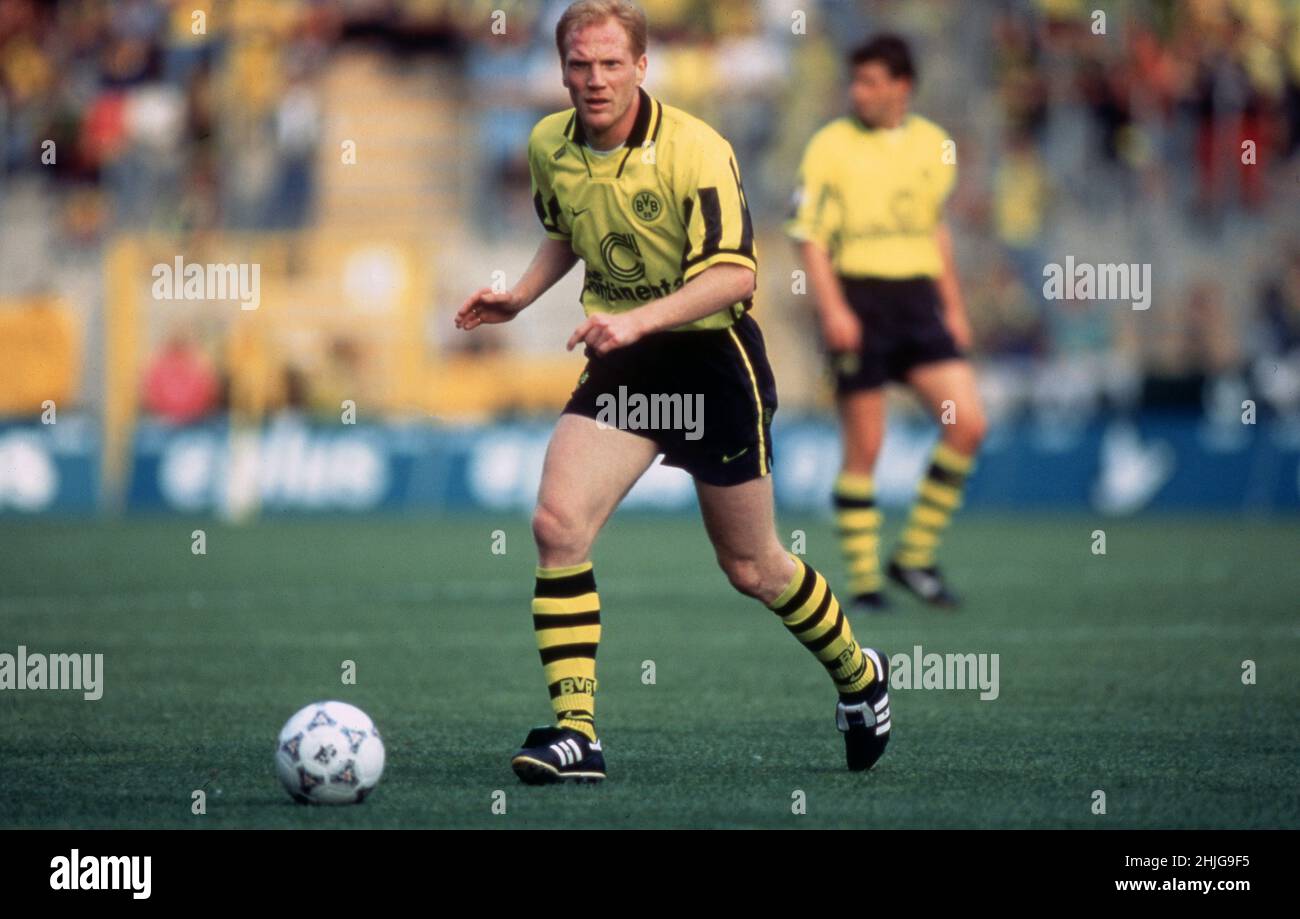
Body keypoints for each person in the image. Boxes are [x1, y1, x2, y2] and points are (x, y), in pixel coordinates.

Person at [455, 0, 890, 784]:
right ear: (561, 70)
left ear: (643, 66)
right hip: (628, 365)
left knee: (755, 567)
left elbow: (736, 273)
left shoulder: (697, 148)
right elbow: (568, 228)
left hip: (712, 361)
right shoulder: (548, 144)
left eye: (612, 64)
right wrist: (520, 296)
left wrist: (639, 319)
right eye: (581, 65)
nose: (595, 79)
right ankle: (577, 733)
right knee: (557, 523)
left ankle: (861, 674)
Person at [788, 34, 986, 610]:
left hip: (919, 303)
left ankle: (914, 557)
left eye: (871, 81)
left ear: (903, 87)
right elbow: (809, 237)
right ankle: (866, 583)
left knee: (968, 425)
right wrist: (833, 309)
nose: (860, 92)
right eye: (855, 81)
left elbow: (936, 229)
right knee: (865, 446)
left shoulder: (934, 145)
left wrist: (953, 307)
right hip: (861, 299)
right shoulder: (830, 144)